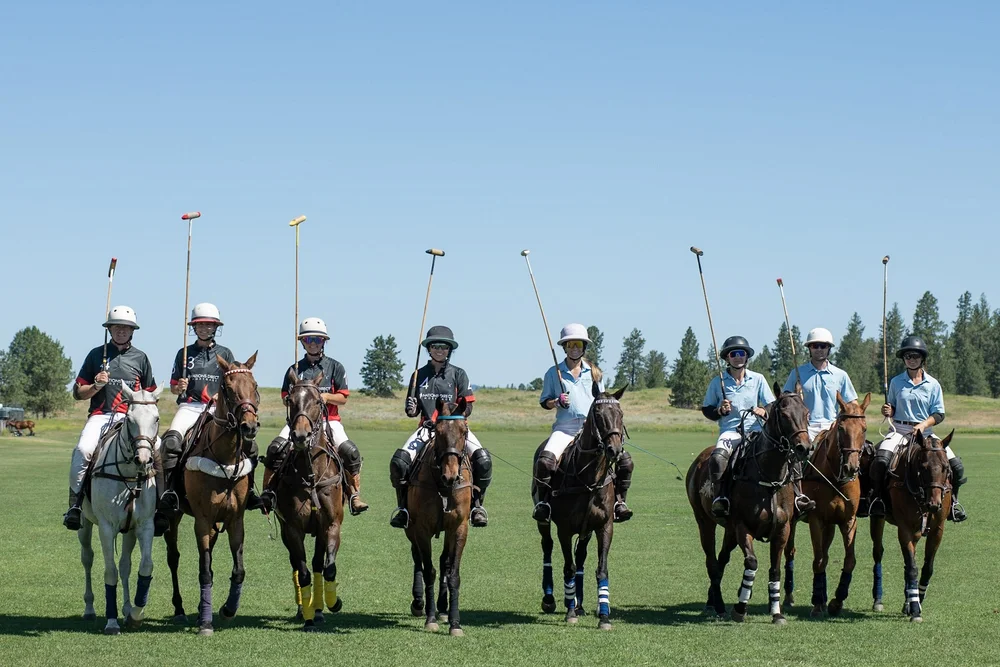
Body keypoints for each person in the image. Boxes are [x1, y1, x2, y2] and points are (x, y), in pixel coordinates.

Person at [63, 306, 164, 532]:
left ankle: (160, 506)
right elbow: (78, 393)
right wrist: (96, 385)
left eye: (126, 328)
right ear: (109, 329)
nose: (121, 331)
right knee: (83, 450)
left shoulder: (141, 358)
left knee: (158, 448)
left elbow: (150, 394)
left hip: (131, 418)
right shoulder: (96, 355)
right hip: (102, 415)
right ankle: (76, 505)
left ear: (132, 331)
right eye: (117, 327)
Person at [158, 303, 264, 514]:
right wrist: (178, 387)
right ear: (194, 327)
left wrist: (221, 396)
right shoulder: (184, 353)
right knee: (171, 442)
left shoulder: (225, 352)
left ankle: (249, 490)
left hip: (218, 409)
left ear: (216, 327)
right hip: (190, 406)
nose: (205, 328)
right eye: (201, 325)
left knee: (249, 446)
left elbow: (235, 381)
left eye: (209, 325)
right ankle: (170, 492)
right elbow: (172, 387)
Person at [261, 317, 368, 515]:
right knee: (275, 449)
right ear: (302, 341)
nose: (312, 343)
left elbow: (343, 398)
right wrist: (294, 400)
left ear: (324, 342)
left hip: (329, 421)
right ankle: (268, 493)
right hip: (299, 421)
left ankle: (354, 495)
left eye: (317, 340)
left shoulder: (335, 367)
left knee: (350, 452)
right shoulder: (294, 369)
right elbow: (285, 396)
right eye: (308, 339)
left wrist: (325, 396)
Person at [389, 326, 492, 529]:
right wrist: (411, 408)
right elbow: (412, 410)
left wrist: (455, 418)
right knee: (399, 462)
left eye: (444, 347)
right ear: (429, 349)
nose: (439, 350)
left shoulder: (459, 374)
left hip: (454, 431)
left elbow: (468, 405)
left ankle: (477, 506)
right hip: (427, 428)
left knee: (483, 459)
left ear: (449, 350)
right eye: (435, 346)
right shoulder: (418, 375)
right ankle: (403, 508)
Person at [532, 323, 633, 523]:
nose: (575, 348)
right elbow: (544, 402)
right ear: (565, 348)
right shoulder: (554, 373)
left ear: (584, 347)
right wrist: (556, 401)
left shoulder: (595, 373)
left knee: (625, 462)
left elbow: (602, 400)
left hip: (592, 430)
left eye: (578, 344)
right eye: (570, 345)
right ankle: (543, 503)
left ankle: (619, 503)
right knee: (545, 461)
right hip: (565, 428)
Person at [863, 335, 968, 522]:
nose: (911, 359)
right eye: (908, 356)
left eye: (915, 356)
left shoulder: (933, 384)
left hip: (926, 433)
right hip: (899, 431)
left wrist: (923, 425)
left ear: (922, 359)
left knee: (956, 466)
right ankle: (877, 499)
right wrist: (889, 410)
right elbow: (893, 407)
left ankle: (953, 503)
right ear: (904, 359)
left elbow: (939, 414)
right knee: (880, 460)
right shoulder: (896, 382)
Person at [780, 327, 859, 516]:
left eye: (823, 346)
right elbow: (784, 400)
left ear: (829, 349)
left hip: (833, 426)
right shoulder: (798, 373)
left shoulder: (840, 375)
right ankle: (798, 496)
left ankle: (862, 498)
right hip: (806, 427)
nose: (819, 349)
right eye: (815, 346)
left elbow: (853, 403)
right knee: (795, 458)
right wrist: (795, 396)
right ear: (809, 349)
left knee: (858, 453)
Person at [701, 336, 774, 518]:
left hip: (757, 431)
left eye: (741, 353)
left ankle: (792, 496)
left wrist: (763, 410)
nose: (738, 357)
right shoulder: (718, 382)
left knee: (780, 454)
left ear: (747, 357)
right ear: (727, 358)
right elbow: (707, 409)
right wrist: (720, 410)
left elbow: (772, 404)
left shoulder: (758, 379)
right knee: (717, 458)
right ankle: (720, 497)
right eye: (733, 354)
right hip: (731, 432)